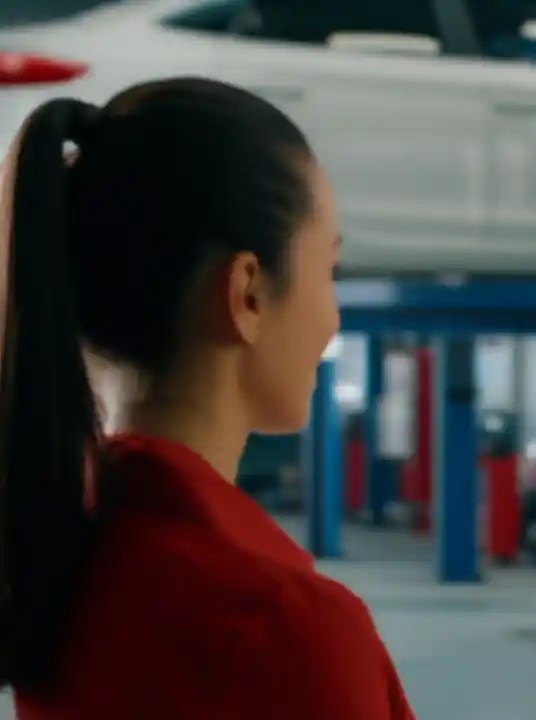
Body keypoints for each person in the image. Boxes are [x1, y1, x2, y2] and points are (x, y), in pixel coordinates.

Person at [0, 77, 415, 718]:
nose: (333, 318)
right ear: (247, 293)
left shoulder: (70, 557)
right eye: (326, 271)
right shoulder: (283, 624)